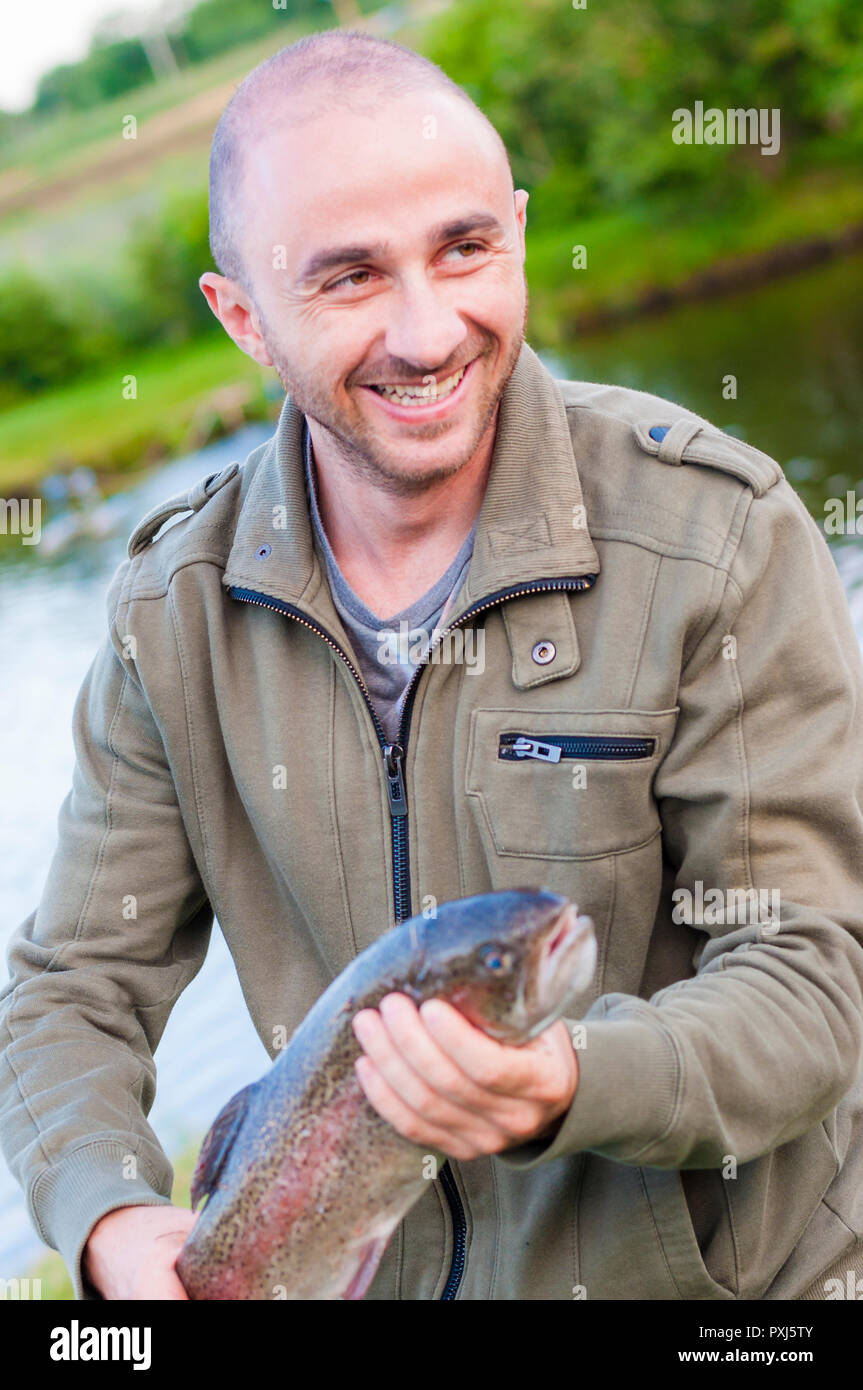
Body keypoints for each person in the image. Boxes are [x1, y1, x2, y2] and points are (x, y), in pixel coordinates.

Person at [2, 28, 863, 1303]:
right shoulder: (166, 613)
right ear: (241, 316)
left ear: (515, 230)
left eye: (464, 249)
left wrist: (566, 1081)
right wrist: (108, 1216)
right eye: (348, 277)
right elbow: (75, 985)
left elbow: (810, 986)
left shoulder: (716, 531)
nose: (427, 330)